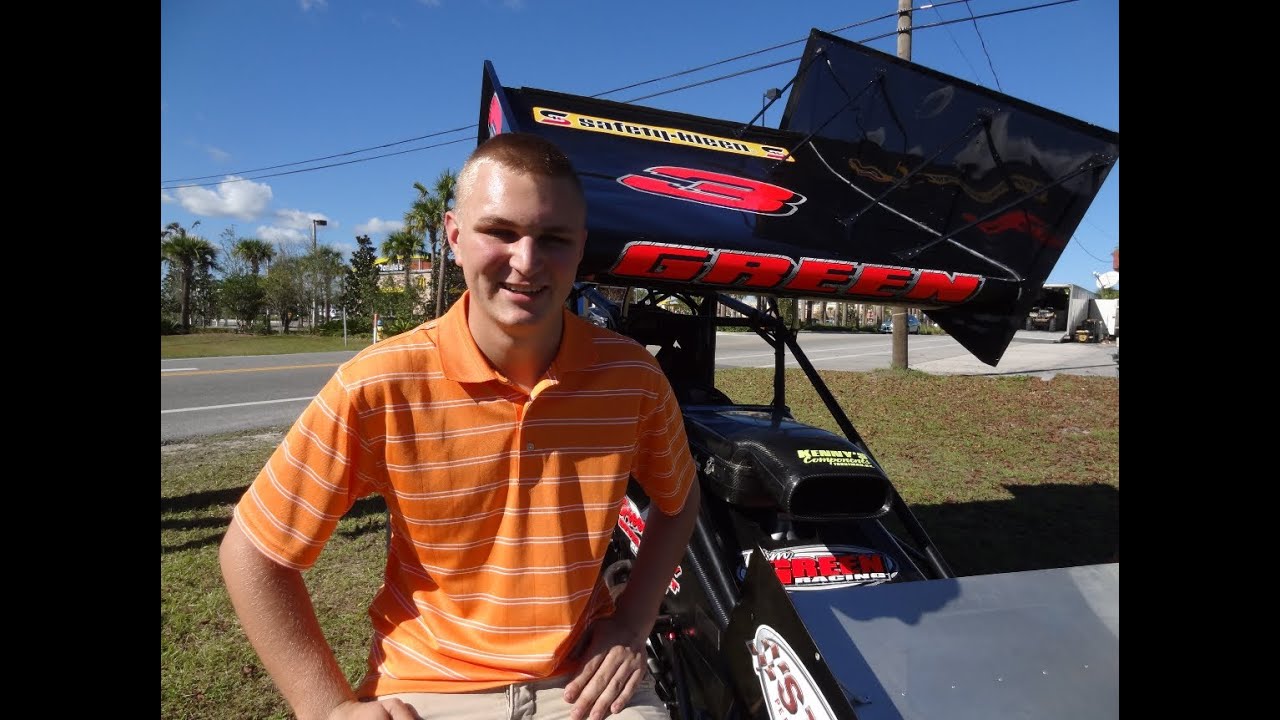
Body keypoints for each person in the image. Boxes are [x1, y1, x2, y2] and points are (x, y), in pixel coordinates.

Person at [219, 131, 700, 720]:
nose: (526, 261)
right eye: (500, 232)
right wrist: (326, 708)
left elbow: (679, 500)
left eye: (552, 239)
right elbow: (252, 551)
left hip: (582, 685)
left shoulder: (632, 377)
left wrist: (632, 620)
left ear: (580, 249)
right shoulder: (379, 383)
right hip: (427, 689)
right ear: (453, 235)